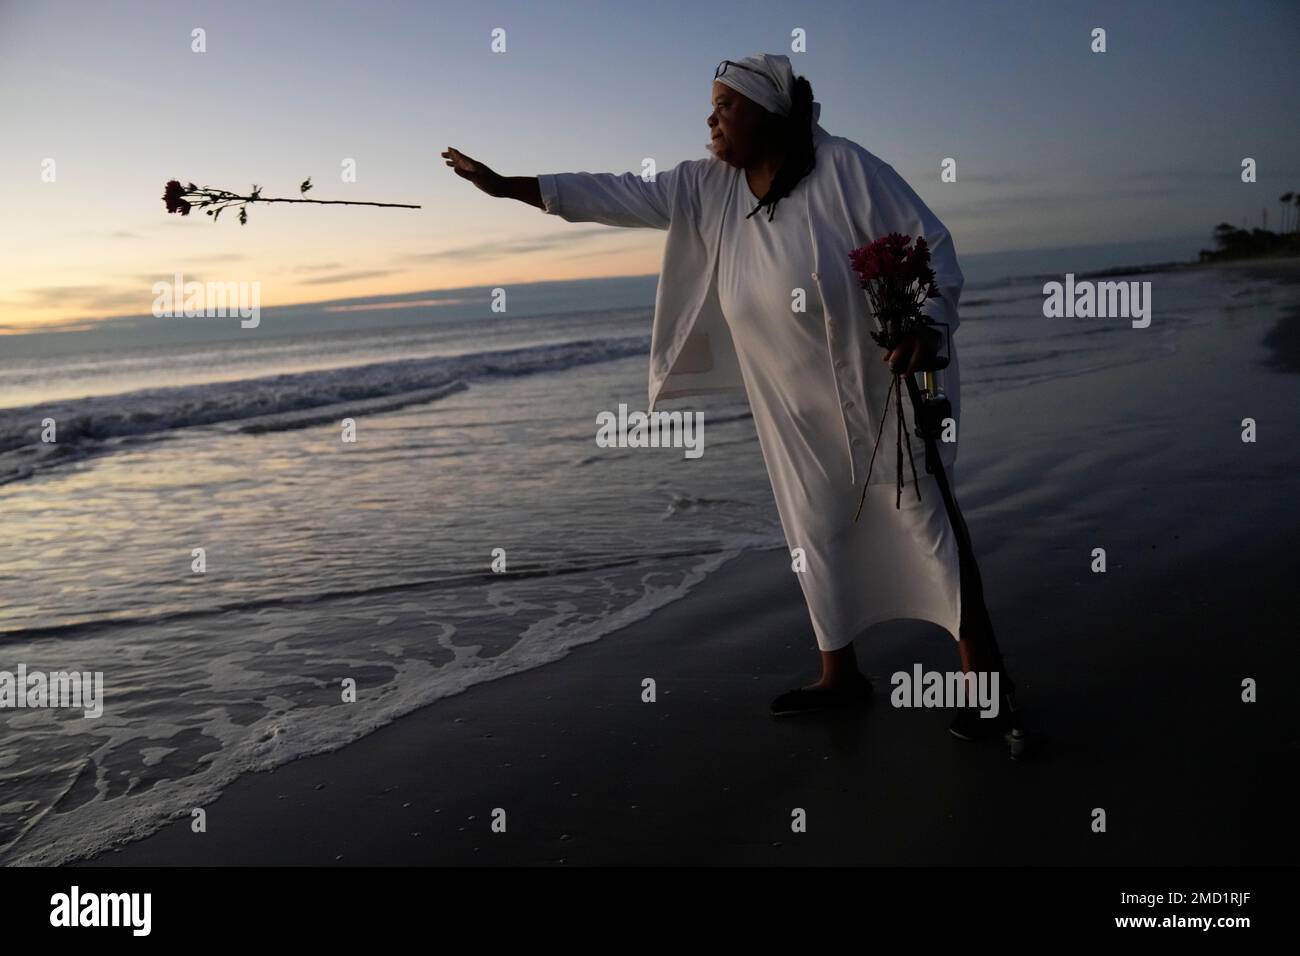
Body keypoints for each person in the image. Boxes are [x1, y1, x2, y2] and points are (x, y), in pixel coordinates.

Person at [442, 53, 1016, 736]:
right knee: (815, 527)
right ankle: (840, 673)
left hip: (874, 384)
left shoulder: (846, 168)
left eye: (725, 106)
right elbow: (614, 192)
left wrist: (928, 323)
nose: (711, 119)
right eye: (711, 108)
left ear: (770, 110)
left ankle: (987, 685)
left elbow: (933, 243)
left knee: (927, 519)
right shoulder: (706, 188)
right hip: (786, 400)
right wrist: (511, 187)